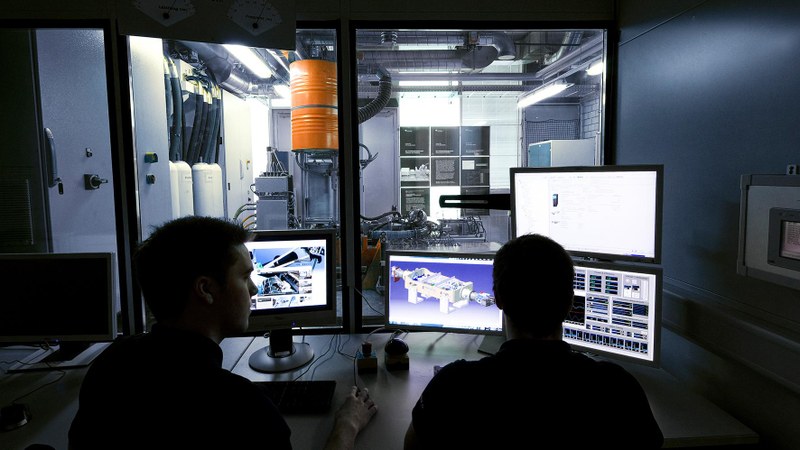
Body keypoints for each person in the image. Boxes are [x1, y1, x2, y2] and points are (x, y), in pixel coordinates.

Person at [69, 216, 376, 450]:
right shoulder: (239, 406)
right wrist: (347, 425)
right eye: (244, 277)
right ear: (206, 289)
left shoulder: (110, 365)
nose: (255, 289)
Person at [403, 233, 664, 449]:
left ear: (499, 299)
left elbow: (412, 447)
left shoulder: (454, 384)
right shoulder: (617, 387)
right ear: (570, 303)